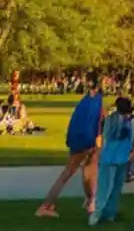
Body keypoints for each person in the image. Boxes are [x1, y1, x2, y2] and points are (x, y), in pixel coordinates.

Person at [36, 73, 105, 219]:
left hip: (76, 141)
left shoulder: (84, 102)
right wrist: (97, 146)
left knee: (88, 172)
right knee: (83, 172)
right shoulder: (98, 102)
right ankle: (46, 206)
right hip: (88, 142)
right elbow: (98, 126)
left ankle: (90, 202)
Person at [89, 97, 134, 226]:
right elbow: (132, 140)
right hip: (123, 156)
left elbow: (106, 135)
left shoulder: (111, 119)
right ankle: (110, 213)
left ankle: (98, 214)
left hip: (109, 156)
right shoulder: (132, 122)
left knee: (104, 186)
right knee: (116, 187)